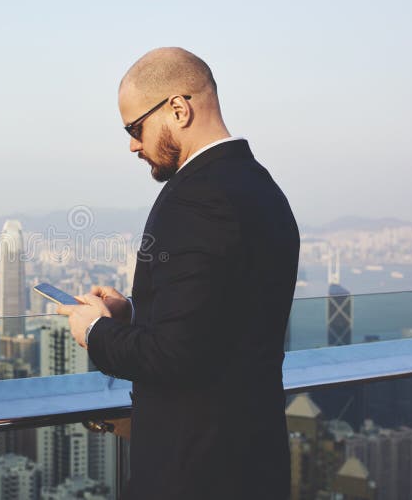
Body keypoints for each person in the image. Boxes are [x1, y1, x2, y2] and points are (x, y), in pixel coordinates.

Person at [57, 47, 300, 500]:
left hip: (195, 472)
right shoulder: (264, 188)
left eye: (135, 128)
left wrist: (94, 330)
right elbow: (223, 319)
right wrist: (134, 313)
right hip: (256, 461)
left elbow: (175, 356)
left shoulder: (194, 199)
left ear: (178, 109)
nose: (132, 144)